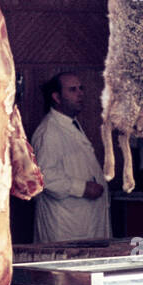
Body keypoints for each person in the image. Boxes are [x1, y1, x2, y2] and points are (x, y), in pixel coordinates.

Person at [31, 71, 110, 242]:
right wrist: (82, 188)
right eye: (73, 90)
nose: (80, 93)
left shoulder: (71, 125)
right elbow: (45, 178)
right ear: (57, 97)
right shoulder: (48, 132)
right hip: (65, 224)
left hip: (82, 220)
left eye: (81, 88)